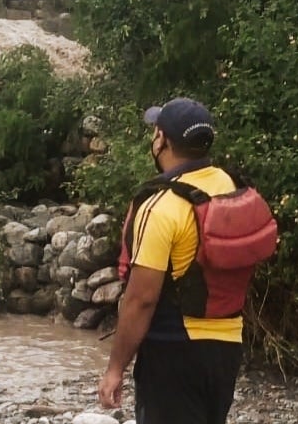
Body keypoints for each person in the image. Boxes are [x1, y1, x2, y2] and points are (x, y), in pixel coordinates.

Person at [98, 98, 276, 423]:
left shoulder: (161, 205)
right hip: (227, 349)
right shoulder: (232, 186)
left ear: (162, 139)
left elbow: (141, 300)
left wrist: (115, 369)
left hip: (173, 351)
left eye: (155, 130)